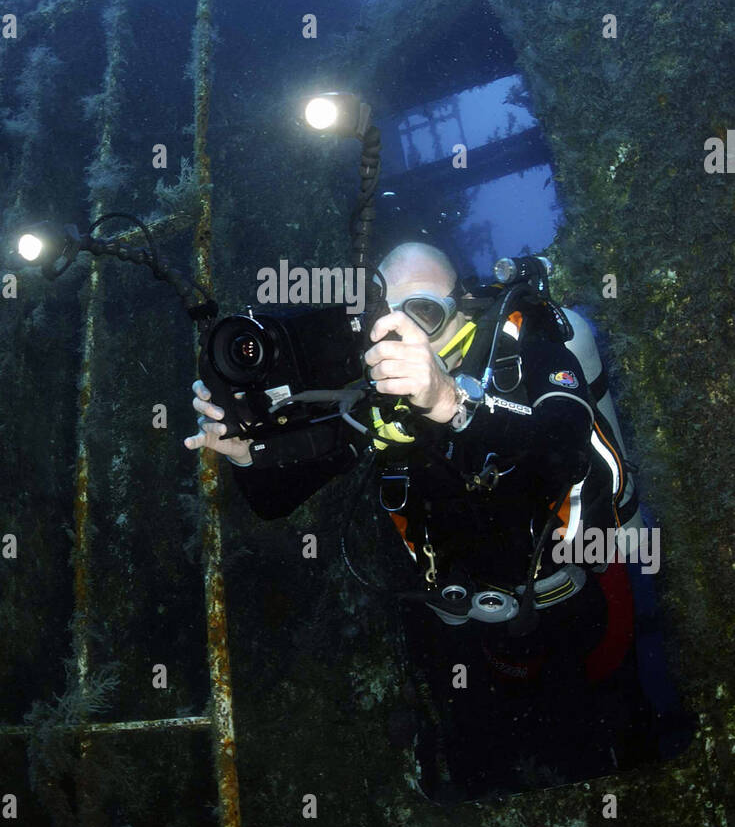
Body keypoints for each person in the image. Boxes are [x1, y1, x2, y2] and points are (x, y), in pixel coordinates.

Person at [184, 242, 636, 793]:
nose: (402, 333)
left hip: (574, 599)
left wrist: (452, 404)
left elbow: (563, 452)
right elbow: (273, 501)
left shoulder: (530, 352)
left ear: (462, 307)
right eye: (386, 314)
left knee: (606, 742)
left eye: (422, 312)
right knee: (480, 760)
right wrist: (245, 452)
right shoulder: (382, 398)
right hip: (459, 618)